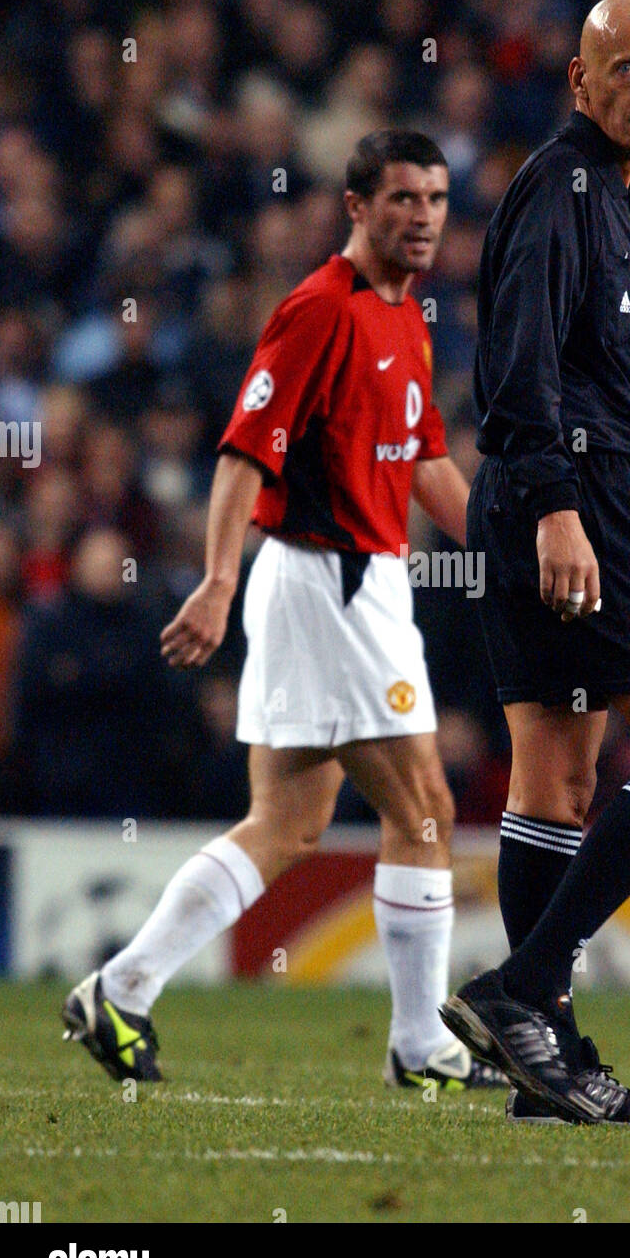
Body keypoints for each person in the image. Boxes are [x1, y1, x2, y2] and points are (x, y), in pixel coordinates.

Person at [62, 131, 503, 1092]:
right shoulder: (316, 312)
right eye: (402, 199)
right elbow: (241, 453)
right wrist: (216, 580)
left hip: (358, 581)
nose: (423, 216)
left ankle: (122, 986)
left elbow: (424, 457)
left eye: (434, 198)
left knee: (292, 821)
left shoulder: (406, 317)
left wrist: (498, 560)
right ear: (356, 207)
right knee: (424, 807)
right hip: (327, 578)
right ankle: (421, 1043)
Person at [441, 0, 630, 1125]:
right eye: (625, 69)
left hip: (527, 499)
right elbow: (513, 365)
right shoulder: (565, 187)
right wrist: (562, 509)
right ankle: (521, 991)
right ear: (577, 79)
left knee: (554, 782)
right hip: (575, 496)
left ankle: (541, 1063)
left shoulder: (594, 193)